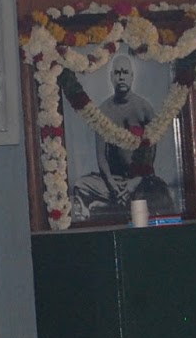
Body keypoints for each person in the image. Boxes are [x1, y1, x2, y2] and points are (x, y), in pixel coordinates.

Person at [70, 53, 174, 219]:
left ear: (132, 77)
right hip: (114, 181)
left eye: (125, 72)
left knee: (163, 194)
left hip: (141, 180)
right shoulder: (103, 111)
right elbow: (101, 157)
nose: (121, 77)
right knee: (80, 185)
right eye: (117, 73)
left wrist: (137, 180)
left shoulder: (144, 108)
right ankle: (116, 203)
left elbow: (151, 152)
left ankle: (108, 207)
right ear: (111, 77)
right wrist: (112, 185)